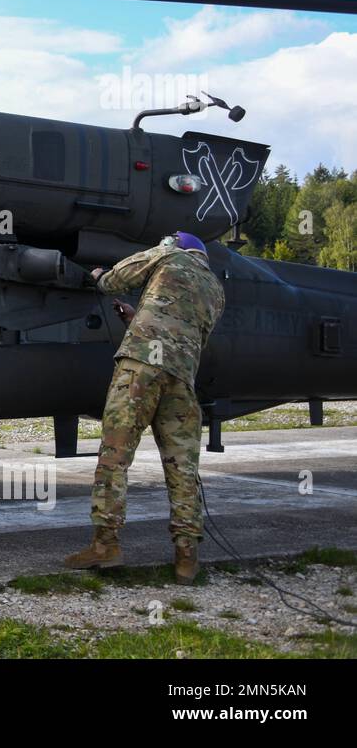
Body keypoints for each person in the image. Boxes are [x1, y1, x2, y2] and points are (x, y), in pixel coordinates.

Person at [65, 232, 225, 584]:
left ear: (176, 246)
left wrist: (99, 278)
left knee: (115, 456)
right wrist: (137, 319)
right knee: (182, 467)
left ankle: (105, 545)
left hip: (141, 368)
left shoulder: (168, 256)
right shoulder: (215, 288)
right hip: (181, 378)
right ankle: (186, 558)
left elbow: (121, 277)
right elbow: (187, 334)